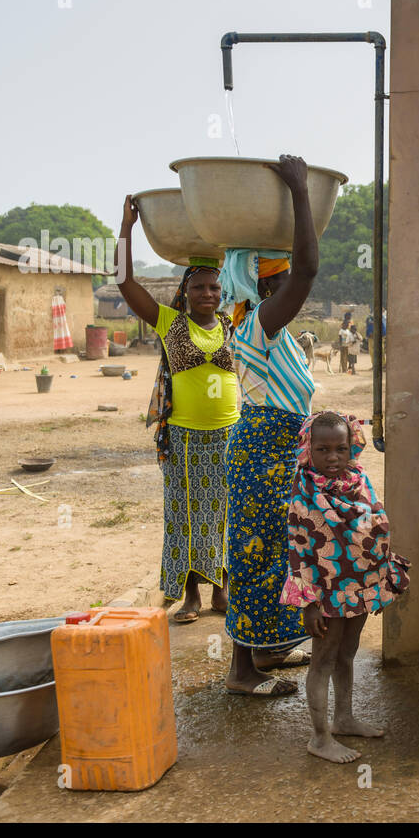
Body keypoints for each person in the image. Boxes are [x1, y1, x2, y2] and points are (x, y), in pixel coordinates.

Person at [220, 154, 322, 697]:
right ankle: (241, 671)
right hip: (264, 445)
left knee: (273, 548)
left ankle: (266, 646)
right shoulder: (258, 323)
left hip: (275, 445)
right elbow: (308, 269)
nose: (291, 284)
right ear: (264, 285)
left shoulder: (265, 329)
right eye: (278, 278)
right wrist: (300, 192)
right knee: (255, 551)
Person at [116, 198, 236, 624]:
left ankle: (222, 592)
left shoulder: (232, 325)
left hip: (229, 435)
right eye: (199, 287)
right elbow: (125, 282)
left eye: (215, 288)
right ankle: (191, 598)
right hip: (184, 437)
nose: (208, 294)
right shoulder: (170, 323)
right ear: (185, 291)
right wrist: (127, 227)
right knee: (184, 517)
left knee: (224, 512)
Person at [280, 411, 408, 762]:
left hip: (359, 583)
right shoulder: (303, 491)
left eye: (341, 448)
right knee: (323, 658)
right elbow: (298, 549)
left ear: (352, 447)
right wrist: (308, 604)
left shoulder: (359, 479)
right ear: (308, 449)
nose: (333, 457)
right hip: (325, 591)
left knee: (346, 654)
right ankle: (320, 738)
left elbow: (374, 526)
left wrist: (380, 579)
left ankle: (344, 718)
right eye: (323, 449)